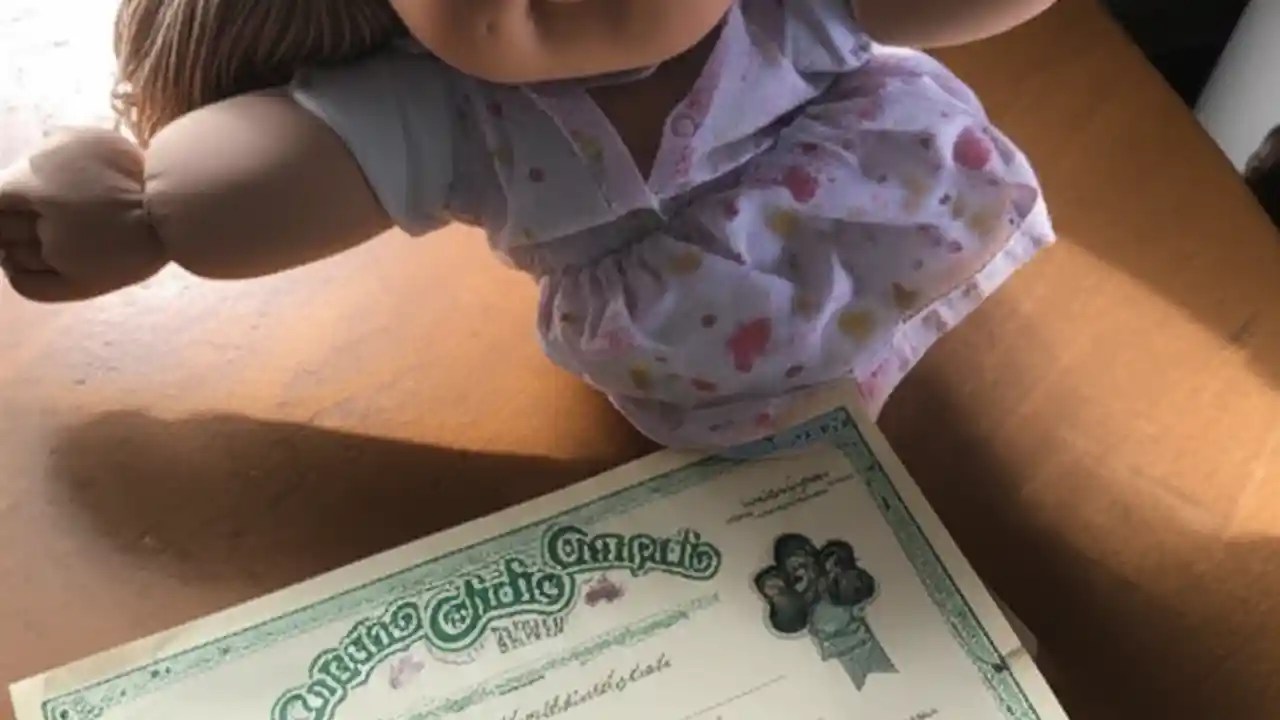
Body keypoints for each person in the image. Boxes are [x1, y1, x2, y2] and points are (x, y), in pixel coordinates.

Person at [0, 0, 1057, 449]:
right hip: (733, 394)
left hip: (927, 245)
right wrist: (144, 215)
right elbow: (245, 183)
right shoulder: (451, 108)